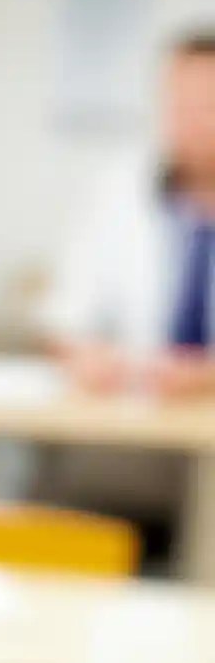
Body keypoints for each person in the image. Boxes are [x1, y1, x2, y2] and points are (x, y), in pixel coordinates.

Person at [42, 30, 215, 396]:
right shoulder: (117, 194)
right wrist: (84, 356)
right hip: (138, 418)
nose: (191, 123)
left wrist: (205, 376)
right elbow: (64, 316)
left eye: (206, 106)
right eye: (178, 105)